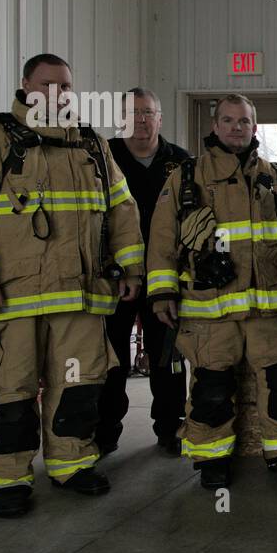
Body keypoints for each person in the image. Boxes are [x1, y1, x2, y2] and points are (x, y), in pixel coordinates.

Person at [0, 53, 144, 517]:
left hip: (81, 296)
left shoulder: (92, 144)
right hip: (12, 297)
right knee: (11, 390)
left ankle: (71, 464)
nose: (59, 93)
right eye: (49, 84)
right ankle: (9, 478)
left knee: (78, 385)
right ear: (26, 85)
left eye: (67, 86)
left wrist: (131, 269)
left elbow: (123, 211)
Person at [146, 94, 277, 490]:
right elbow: (161, 240)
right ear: (215, 126)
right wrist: (161, 294)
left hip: (270, 312)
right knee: (211, 390)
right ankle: (213, 461)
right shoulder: (186, 177)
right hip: (209, 313)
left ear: (254, 127)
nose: (236, 128)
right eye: (228, 121)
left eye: (243, 121)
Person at [96, 88, 191, 457]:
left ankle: (170, 428)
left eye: (147, 112)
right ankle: (105, 432)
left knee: (167, 358)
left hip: (165, 279)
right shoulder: (100, 159)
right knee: (111, 359)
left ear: (159, 118)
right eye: (132, 113)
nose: (141, 120)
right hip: (115, 279)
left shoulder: (181, 163)